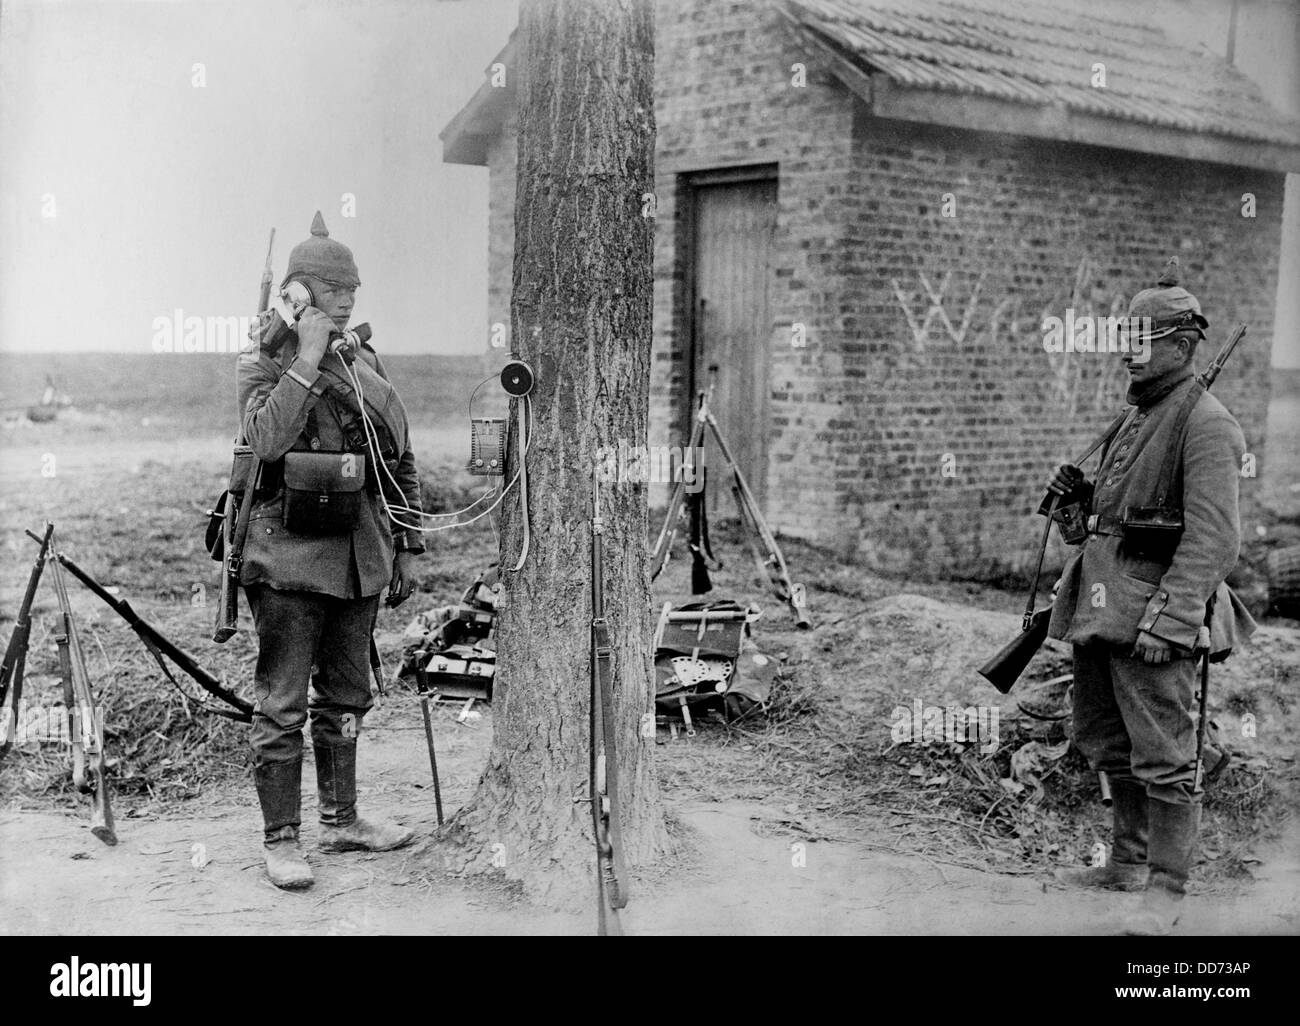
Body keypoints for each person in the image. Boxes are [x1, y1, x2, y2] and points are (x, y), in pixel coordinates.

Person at [1044, 257, 1255, 935]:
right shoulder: (1135, 418)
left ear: (1182, 345)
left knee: (1168, 752)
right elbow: (1105, 523)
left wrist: (1171, 619)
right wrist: (1074, 509)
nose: (1127, 353)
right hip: (1104, 606)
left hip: (1154, 613)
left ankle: (1167, 892)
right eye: (1124, 339)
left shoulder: (1206, 423)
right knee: (1106, 737)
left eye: (1141, 340)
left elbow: (1215, 540)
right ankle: (1129, 860)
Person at [236, 212, 426, 889]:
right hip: (287, 559)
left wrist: (407, 543)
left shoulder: (364, 360)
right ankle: (280, 839)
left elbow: (397, 456)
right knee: (282, 702)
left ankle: (342, 820)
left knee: (346, 695)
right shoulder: (264, 360)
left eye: (353, 287)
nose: (348, 299)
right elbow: (265, 441)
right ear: (299, 293)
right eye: (333, 288)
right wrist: (308, 359)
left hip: (357, 558)